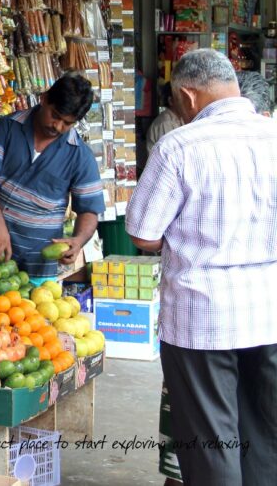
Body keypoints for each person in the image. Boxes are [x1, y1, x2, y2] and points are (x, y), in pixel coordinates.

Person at [126, 49, 277, 486]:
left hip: (202, 318)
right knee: (265, 435)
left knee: (211, 442)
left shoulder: (179, 146)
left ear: (188, 96)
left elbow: (142, 232)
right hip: (268, 311)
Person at [0, 72, 105, 272]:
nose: (58, 126)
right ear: (43, 99)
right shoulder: (6, 128)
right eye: (55, 116)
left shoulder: (81, 156)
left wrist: (78, 241)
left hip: (38, 265)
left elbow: (89, 210)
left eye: (67, 123)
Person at [146, 82, 183, 151]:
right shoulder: (166, 123)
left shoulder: (180, 118)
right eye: (182, 98)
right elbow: (171, 153)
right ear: (171, 101)